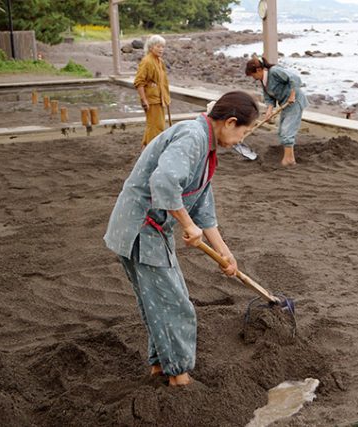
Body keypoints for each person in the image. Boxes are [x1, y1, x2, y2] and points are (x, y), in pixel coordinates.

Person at [103, 91, 259, 386]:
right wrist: (187, 224)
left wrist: (224, 252)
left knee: (158, 301)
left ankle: (162, 368)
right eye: (245, 132)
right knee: (175, 304)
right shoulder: (192, 137)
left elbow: (202, 206)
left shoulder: (207, 147)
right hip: (140, 228)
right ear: (230, 122)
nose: (242, 139)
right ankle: (179, 377)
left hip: (146, 230)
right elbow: (163, 181)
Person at [245, 56, 309, 166]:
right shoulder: (263, 81)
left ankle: (288, 160)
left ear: (259, 70)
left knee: (287, 130)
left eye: (253, 75)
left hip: (294, 101)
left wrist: (292, 95)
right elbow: (269, 98)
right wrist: (269, 111)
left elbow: (294, 78)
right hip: (285, 104)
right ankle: (291, 158)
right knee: (281, 130)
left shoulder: (274, 72)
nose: (253, 78)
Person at [134, 35, 171, 147]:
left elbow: (162, 81)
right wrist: (144, 99)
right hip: (152, 100)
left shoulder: (159, 61)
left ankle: (146, 148)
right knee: (156, 127)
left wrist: (166, 97)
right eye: (158, 46)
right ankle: (151, 150)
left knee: (155, 125)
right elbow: (139, 82)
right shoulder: (147, 61)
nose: (161, 49)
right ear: (151, 47)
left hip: (160, 99)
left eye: (162, 47)